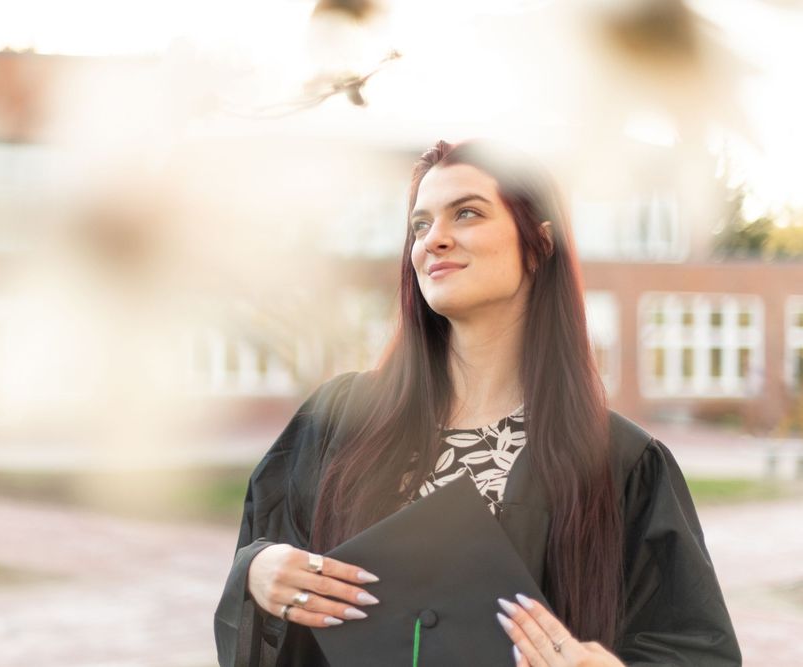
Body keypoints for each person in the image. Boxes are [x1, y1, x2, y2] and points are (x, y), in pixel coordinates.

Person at [214, 139, 742, 666]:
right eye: (420, 225)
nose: (433, 240)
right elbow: (264, 552)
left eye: (466, 213)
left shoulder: (619, 460)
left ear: (538, 245)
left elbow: (696, 649)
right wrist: (256, 573)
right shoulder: (341, 420)